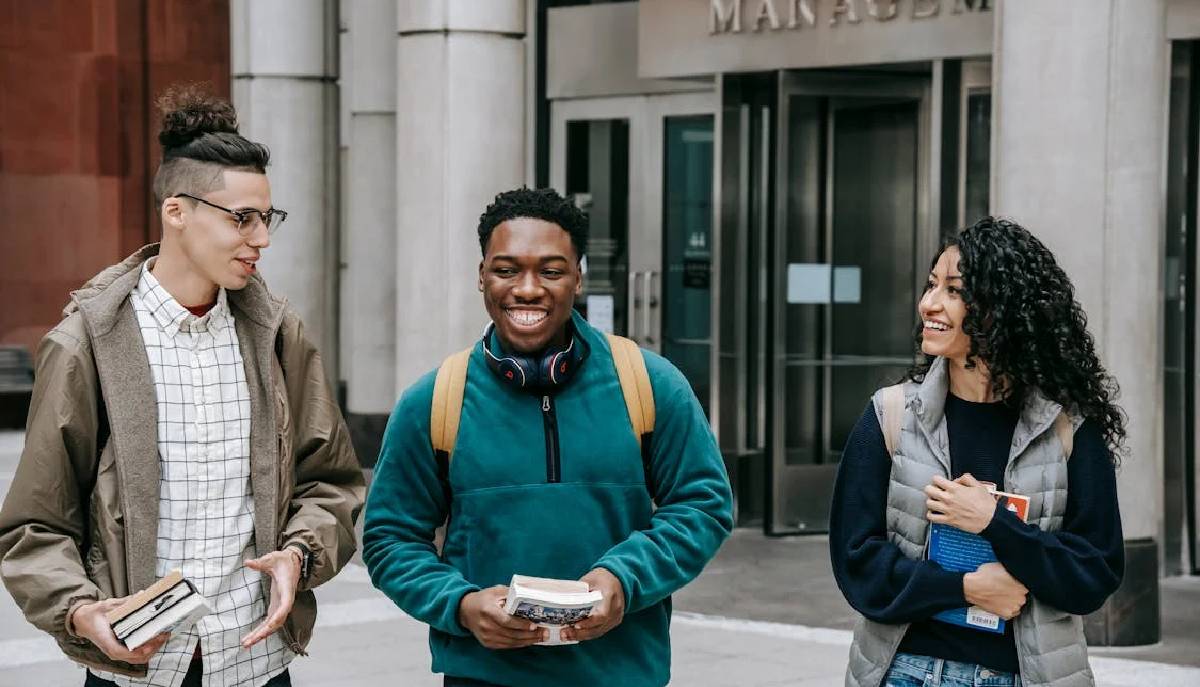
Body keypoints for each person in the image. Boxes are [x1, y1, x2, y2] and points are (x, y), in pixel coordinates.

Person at [0, 86, 365, 686]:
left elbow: (331, 481)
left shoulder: (277, 335)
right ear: (177, 212)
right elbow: (35, 526)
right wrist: (82, 612)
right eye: (241, 219)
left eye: (267, 218)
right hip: (136, 670)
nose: (262, 238)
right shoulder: (88, 344)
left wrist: (300, 554)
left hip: (255, 664)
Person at [362, 187, 734, 687]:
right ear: (481, 275)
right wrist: (461, 605)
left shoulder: (650, 384)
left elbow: (703, 505)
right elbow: (390, 539)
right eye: (506, 269)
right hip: (484, 678)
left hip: (622, 675)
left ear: (578, 276)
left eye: (551, 271)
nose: (527, 289)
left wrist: (623, 579)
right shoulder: (432, 401)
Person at [829, 217, 1126, 687]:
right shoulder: (891, 415)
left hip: (1026, 677)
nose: (928, 303)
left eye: (953, 290)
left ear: (999, 308)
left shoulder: (1068, 428)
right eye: (931, 285)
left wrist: (995, 523)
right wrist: (964, 589)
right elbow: (856, 564)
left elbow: (1095, 573)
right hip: (905, 672)